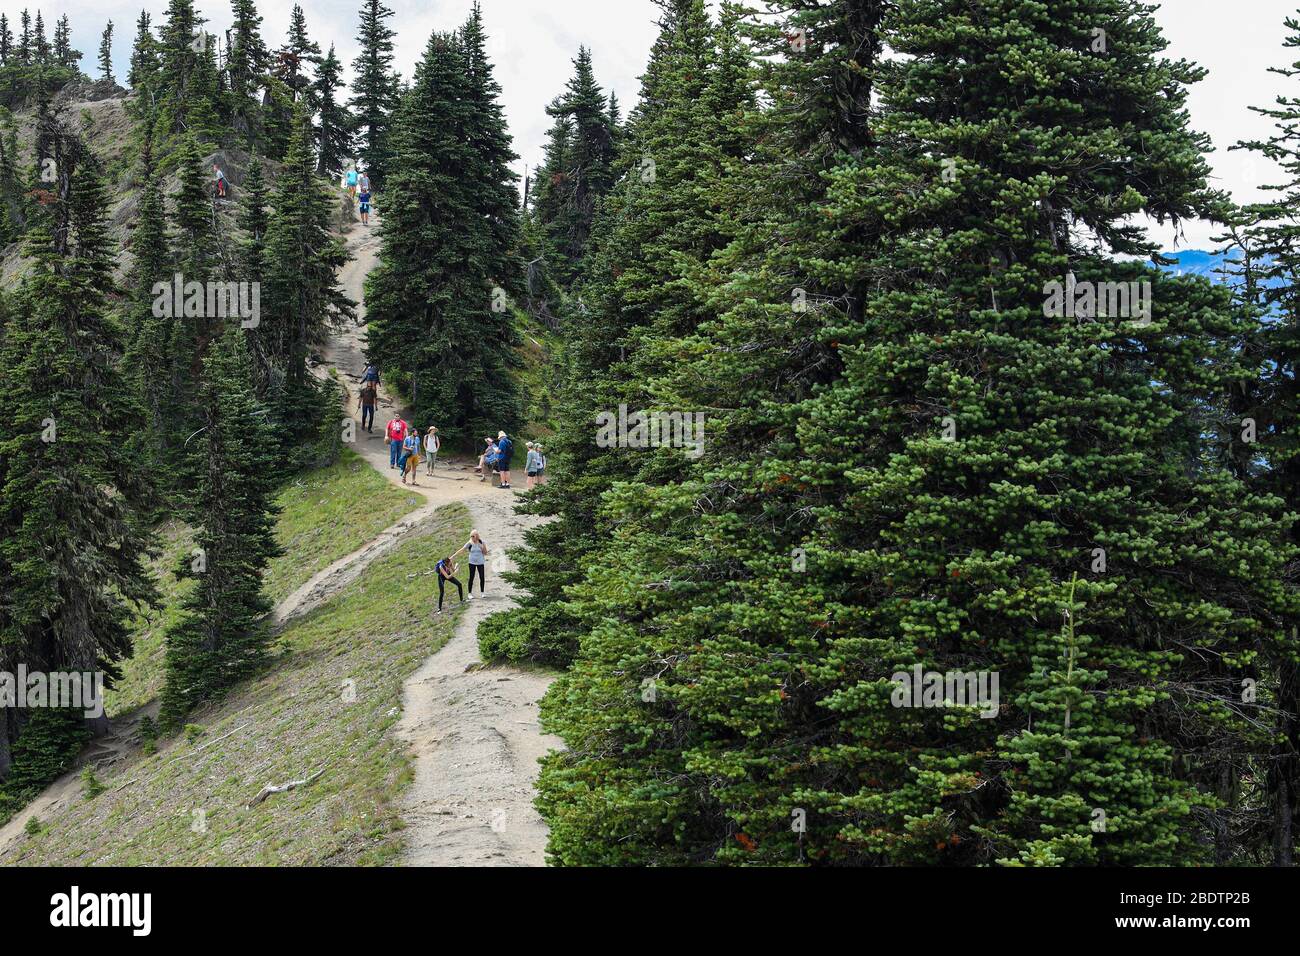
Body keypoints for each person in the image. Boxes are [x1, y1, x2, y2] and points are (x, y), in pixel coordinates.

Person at [461, 530, 489, 598]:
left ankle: (482, 592)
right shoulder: (469, 543)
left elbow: (485, 553)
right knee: (471, 577)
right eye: (471, 536)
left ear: (477, 536)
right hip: (472, 562)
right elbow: (462, 549)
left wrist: (481, 546)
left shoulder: (482, 542)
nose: (472, 537)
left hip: (480, 562)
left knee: (482, 577)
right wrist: (453, 556)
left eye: (473, 536)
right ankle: (469, 593)